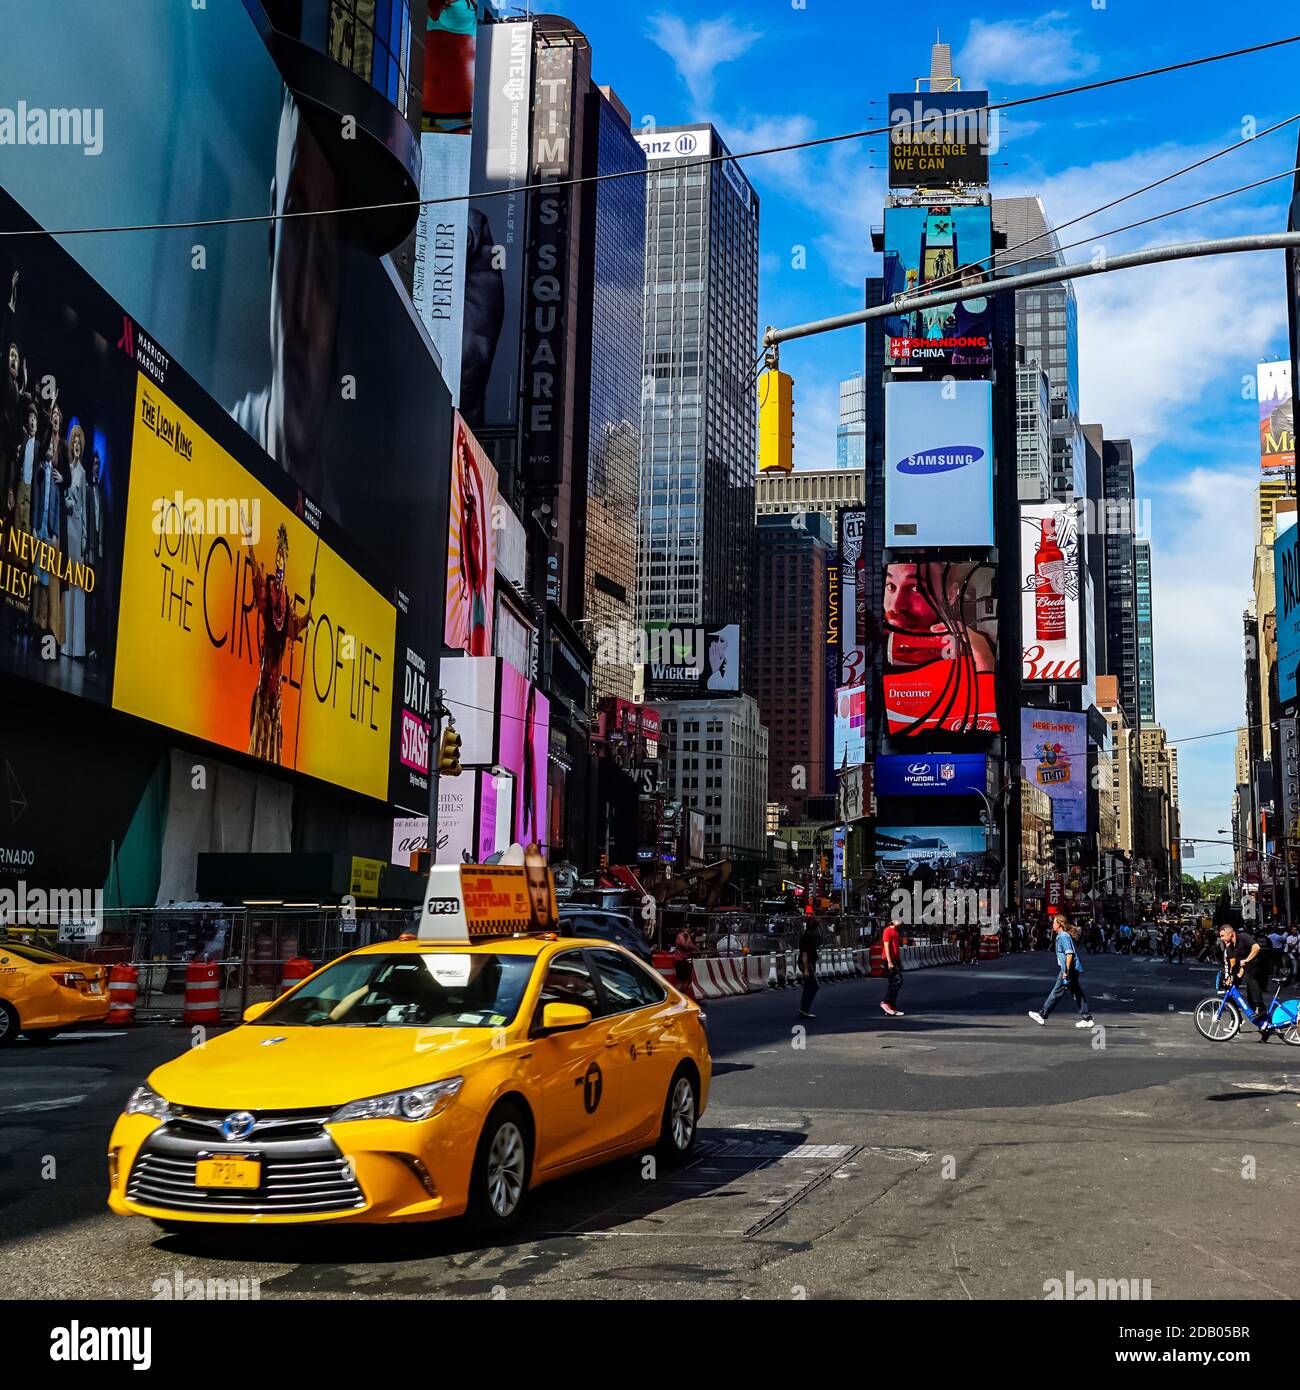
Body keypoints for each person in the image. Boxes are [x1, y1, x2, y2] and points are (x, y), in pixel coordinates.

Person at [1028, 916, 1095, 1029]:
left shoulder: (1063, 936)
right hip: (1070, 969)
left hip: (1069, 969)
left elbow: (1069, 954)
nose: (1052, 924)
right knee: (1076, 992)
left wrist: (1066, 971)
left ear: (1059, 924)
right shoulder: (1062, 936)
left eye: (1054, 922)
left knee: (1057, 991)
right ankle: (1086, 1018)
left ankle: (1043, 1014)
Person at [61, 422, 87, 659]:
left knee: (78, 585)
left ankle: (76, 646)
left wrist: (86, 537)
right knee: (66, 583)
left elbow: (85, 508)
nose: (76, 445)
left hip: (78, 530)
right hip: (66, 525)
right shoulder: (67, 469)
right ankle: (64, 643)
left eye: (79, 442)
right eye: (74, 442)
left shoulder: (83, 473)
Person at [1218, 923, 1268, 1026]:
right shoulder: (1230, 947)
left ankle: (1260, 1008)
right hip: (1248, 968)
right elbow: (1233, 965)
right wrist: (1230, 978)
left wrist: (1246, 960)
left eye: (1223, 936)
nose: (1222, 938)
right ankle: (1263, 1026)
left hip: (1261, 965)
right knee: (1249, 1000)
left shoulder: (1243, 937)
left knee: (1250, 975)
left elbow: (1256, 947)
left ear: (1230, 933)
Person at [880, 915, 904, 1017]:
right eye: (898, 920)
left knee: (892, 982)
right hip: (889, 959)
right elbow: (886, 947)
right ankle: (885, 1002)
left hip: (895, 960)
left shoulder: (896, 932)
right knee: (898, 980)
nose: (900, 922)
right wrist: (889, 961)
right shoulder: (887, 931)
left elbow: (896, 948)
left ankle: (891, 1008)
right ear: (893, 921)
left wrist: (899, 961)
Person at [797, 918, 820, 1020]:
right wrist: (806, 970)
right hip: (807, 964)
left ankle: (803, 1010)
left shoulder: (810, 936)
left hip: (810, 963)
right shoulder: (806, 937)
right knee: (814, 986)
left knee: (807, 987)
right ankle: (804, 1009)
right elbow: (804, 954)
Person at [672, 923, 696, 992]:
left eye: (688, 928)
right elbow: (685, 946)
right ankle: (682, 994)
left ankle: (682, 993)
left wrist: (696, 948)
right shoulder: (680, 936)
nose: (687, 929)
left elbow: (691, 946)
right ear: (682, 929)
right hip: (680, 960)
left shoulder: (687, 936)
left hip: (684, 960)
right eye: (686, 928)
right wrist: (688, 936)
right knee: (686, 979)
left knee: (687, 979)